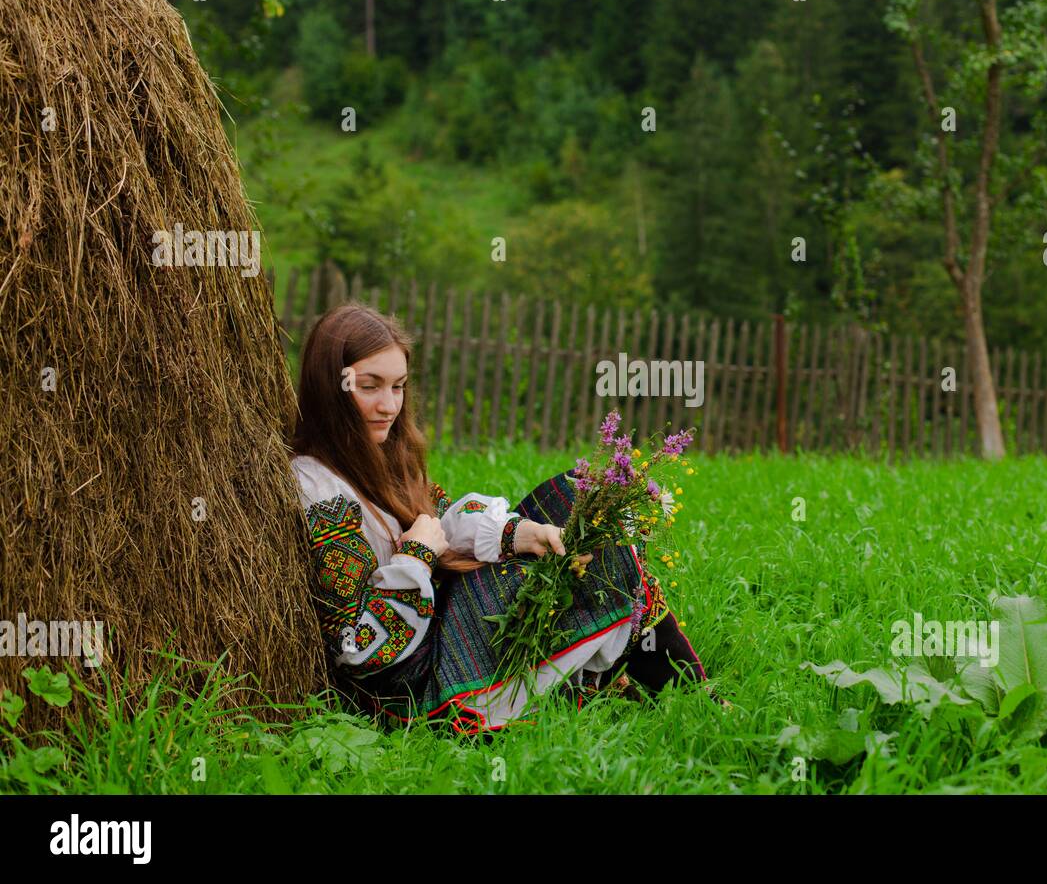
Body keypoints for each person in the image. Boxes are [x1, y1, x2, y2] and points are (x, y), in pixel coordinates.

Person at [288, 303, 727, 735]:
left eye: (398, 386)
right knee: (600, 555)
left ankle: (650, 680)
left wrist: (521, 534)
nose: (390, 405)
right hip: (411, 687)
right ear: (332, 387)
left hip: (435, 621)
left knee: (581, 505)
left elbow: (442, 517)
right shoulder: (320, 490)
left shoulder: (381, 454)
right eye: (370, 386)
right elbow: (357, 650)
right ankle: (679, 691)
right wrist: (417, 556)